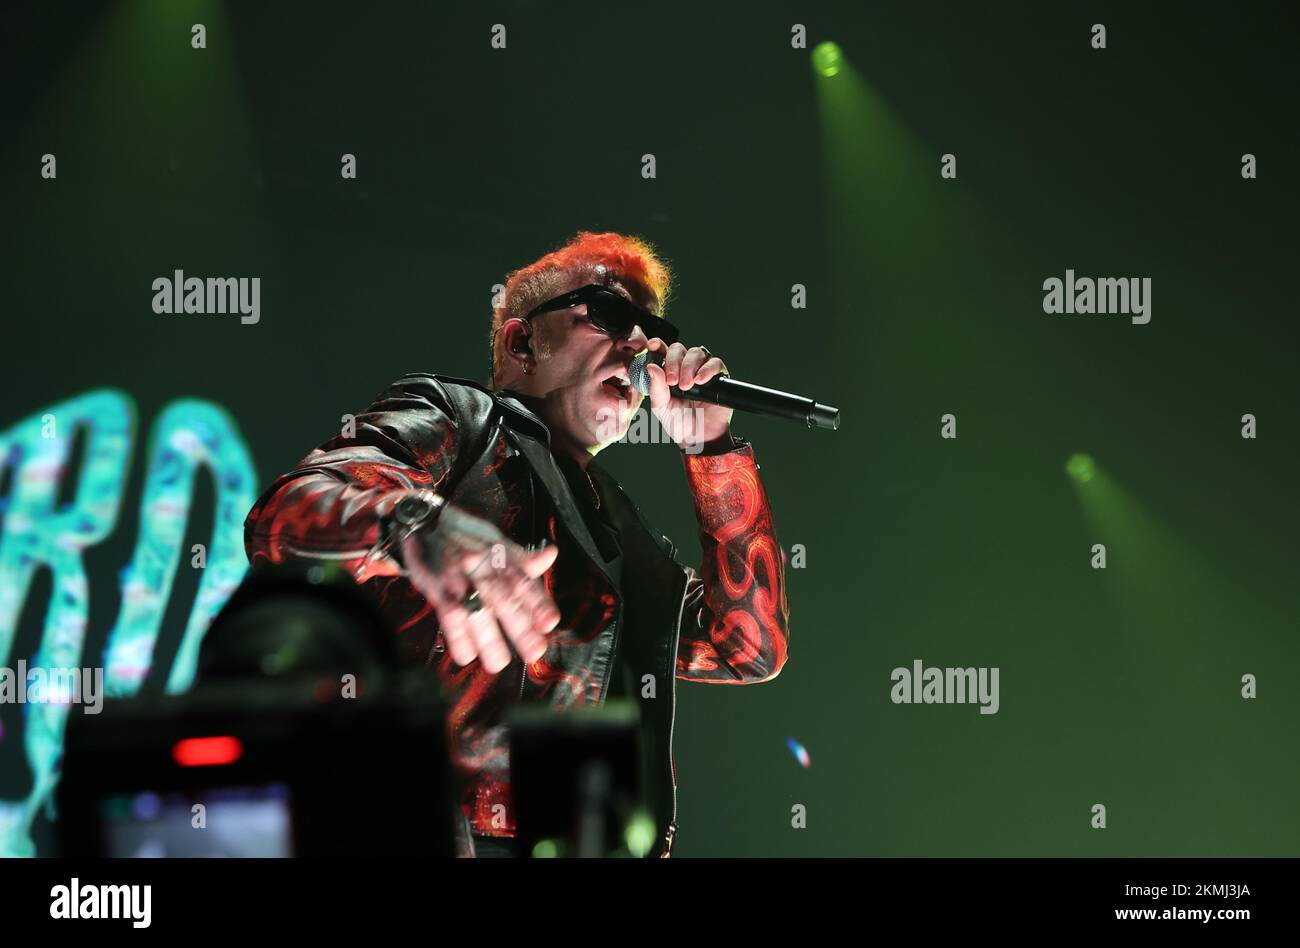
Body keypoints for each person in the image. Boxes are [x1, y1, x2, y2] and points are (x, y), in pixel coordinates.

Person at [243, 231, 789, 856]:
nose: (641, 347)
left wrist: (712, 453)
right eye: (611, 315)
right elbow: (284, 514)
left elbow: (749, 649)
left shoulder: (628, 532)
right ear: (522, 340)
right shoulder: (461, 420)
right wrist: (419, 527)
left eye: (652, 330)